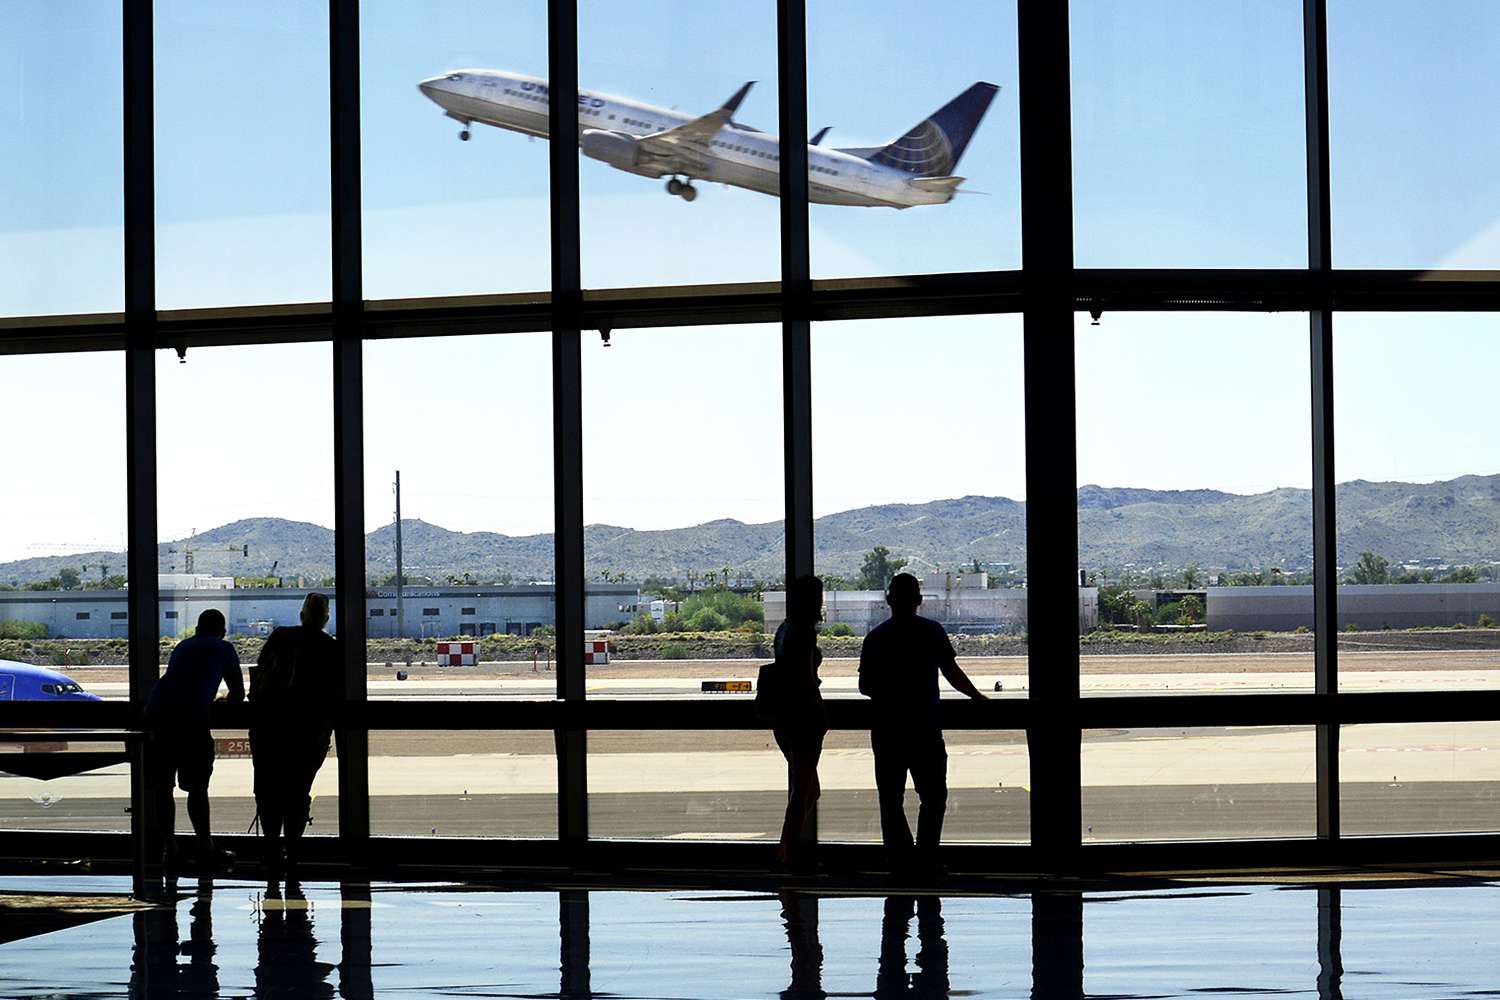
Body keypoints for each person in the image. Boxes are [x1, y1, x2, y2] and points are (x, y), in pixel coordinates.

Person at [858, 573, 987, 873]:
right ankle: (927, 857)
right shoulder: (932, 632)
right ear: (919, 601)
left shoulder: (875, 638)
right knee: (933, 797)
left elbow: (865, 686)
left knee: (890, 799)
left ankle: (900, 858)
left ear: (889, 600)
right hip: (925, 727)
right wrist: (978, 697)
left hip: (887, 729)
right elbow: (952, 673)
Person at [143, 608, 244, 871]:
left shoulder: (183, 646)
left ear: (198, 629)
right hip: (191, 721)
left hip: (157, 716)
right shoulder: (223, 648)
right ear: (221, 631)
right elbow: (238, 693)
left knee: (164, 787)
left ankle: (170, 848)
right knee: (197, 787)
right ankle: (204, 846)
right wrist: (217, 702)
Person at [249, 592, 340, 874]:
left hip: (269, 727)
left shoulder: (280, 637)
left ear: (301, 616)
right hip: (309, 731)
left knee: (267, 790)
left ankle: (271, 848)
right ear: (326, 619)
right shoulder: (331, 647)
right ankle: (293, 851)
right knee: (299, 792)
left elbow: (260, 674)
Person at [768, 575, 829, 870]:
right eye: (819, 598)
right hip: (803, 717)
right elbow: (805, 679)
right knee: (803, 790)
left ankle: (785, 850)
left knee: (808, 789)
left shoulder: (783, 629)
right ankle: (788, 856)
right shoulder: (804, 632)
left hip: (784, 718)